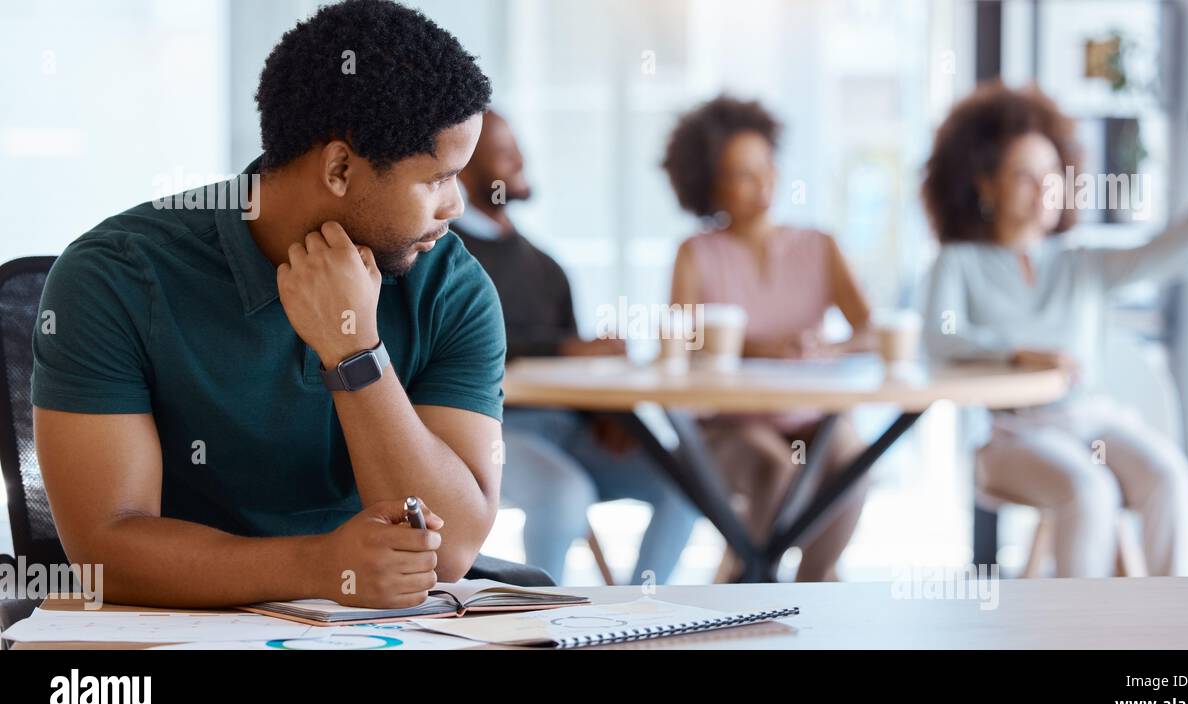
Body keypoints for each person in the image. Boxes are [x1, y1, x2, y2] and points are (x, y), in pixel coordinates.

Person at [33, 0, 504, 608]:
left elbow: (451, 548)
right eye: (436, 179)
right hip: (187, 630)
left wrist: (354, 350)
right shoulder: (116, 275)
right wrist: (322, 566)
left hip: (397, 626)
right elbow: (108, 550)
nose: (457, 206)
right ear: (339, 167)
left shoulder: (451, 286)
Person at [920, 83, 1188, 577]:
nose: (1043, 189)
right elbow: (939, 339)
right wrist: (1017, 353)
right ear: (985, 185)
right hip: (1011, 434)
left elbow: (1165, 252)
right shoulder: (958, 263)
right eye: (1023, 176)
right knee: (1089, 491)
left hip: (1092, 420)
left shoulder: (1081, 264)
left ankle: (1182, 628)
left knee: (1169, 476)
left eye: (1051, 176)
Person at [453, 110, 698, 584]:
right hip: (497, 432)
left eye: (520, 152)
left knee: (684, 484)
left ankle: (634, 614)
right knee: (565, 492)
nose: (521, 163)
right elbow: (470, 352)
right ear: (463, 168)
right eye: (505, 154)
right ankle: (544, 622)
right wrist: (565, 349)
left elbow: (575, 364)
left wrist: (605, 413)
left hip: (569, 427)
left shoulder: (546, 266)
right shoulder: (445, 259)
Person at [664, 95, 876, 582]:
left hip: (809, 415)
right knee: (775, 469)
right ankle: (750, 579)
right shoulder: (695, 254)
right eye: (742, 173)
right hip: (730, 421)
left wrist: (828, 348)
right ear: (711, 184)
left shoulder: (819, 246)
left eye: (766, 166)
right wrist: (759, 348)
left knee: (855, 463)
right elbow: (685, 343)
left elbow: (869, 331)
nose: (762, 182)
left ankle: (813, 585)